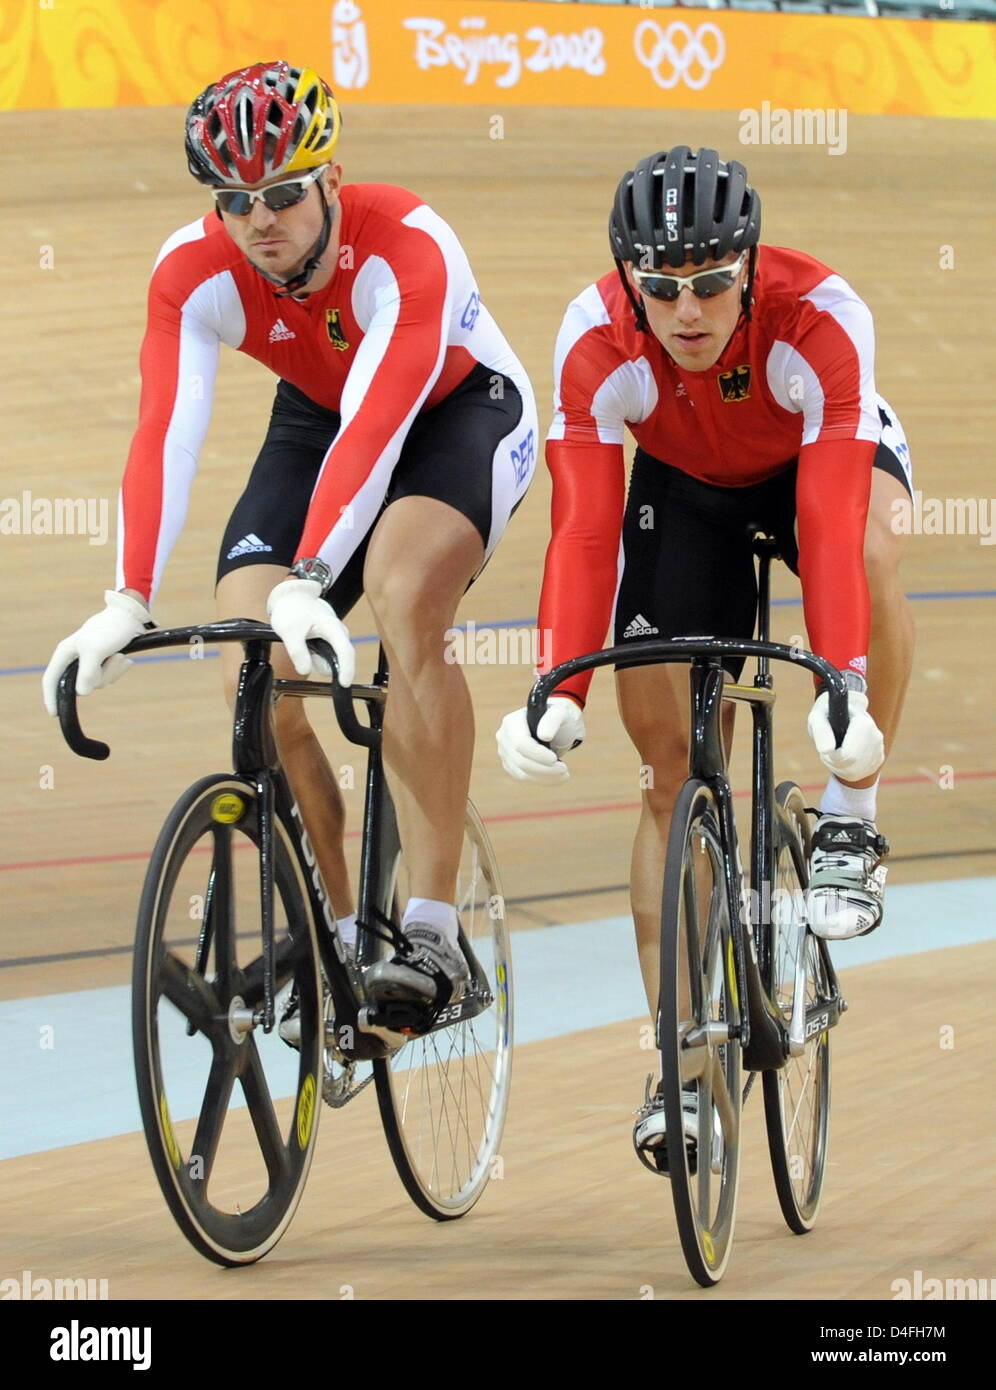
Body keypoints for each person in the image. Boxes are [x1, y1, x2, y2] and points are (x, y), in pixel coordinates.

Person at [43, 60, 538, 1020]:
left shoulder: (410, 247)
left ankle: (436, 932)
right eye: (236, 202)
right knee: (250, 663)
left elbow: (381, 424)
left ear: (332, 180)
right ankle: (342, 937)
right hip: (318, 416)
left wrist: (312, 577)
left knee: (400, 592)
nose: (260, 220)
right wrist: (125, 599)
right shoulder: (193, 272)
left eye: (282, 194)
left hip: (456, 412)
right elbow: (166, 434)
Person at [496, 146, 913, 1168]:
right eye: (663, 288)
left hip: (816, 461)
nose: (688, 311)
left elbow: (826, 514)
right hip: (683, 487)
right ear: (630, 281)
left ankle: (851, 820)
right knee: (666, 779)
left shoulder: (822, 317)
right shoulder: (595, 338)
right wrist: (560, 683)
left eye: (713, 285)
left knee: (867, 546)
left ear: (750, 266)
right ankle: (681, 1073)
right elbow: (586, 529)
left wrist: (843, 678)